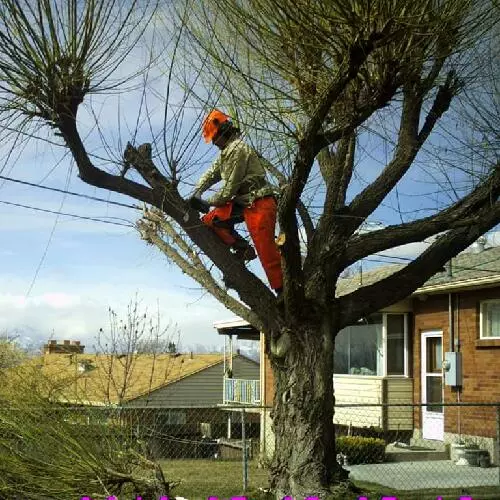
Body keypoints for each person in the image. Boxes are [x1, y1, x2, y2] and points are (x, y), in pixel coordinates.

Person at [190, 109, 283, 296]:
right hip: (242, 202)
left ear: (223, 131)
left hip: (259, 201)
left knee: (267, 251)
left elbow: (228, 190)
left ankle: (284, 291)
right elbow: (211, 173)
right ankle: (241, 248)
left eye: (215, 138)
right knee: (211, 220)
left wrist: (206, 201)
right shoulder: (225, 154)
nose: (214, 143)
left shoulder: (239, 149)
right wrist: (197, 192)